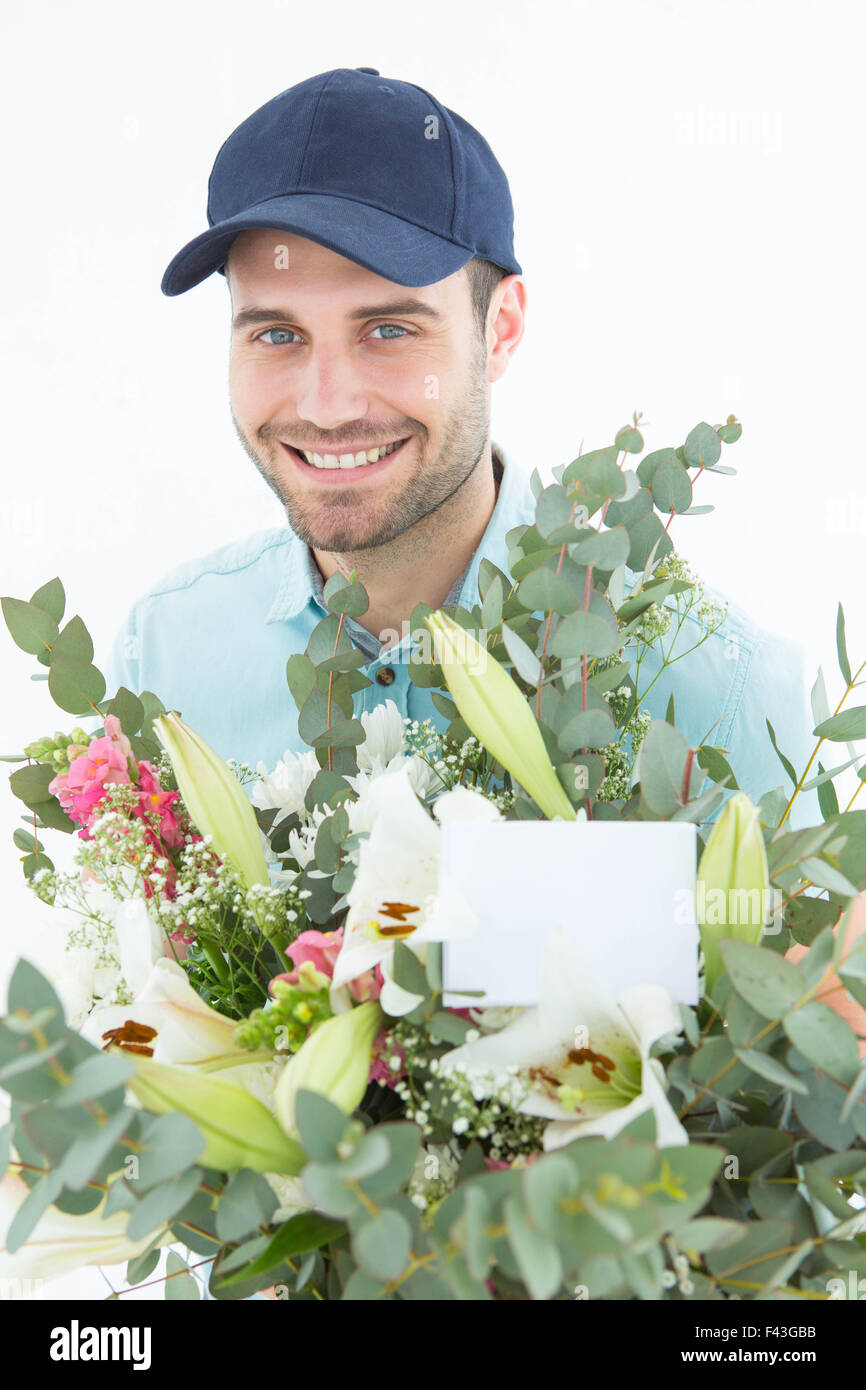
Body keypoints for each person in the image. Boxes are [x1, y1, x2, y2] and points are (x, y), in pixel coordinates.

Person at [105, 66, 818, 827]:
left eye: (389, 330)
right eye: (277, 334)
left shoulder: (723, 691)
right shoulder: (163, 659)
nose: (328, 404)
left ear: (500, 328)